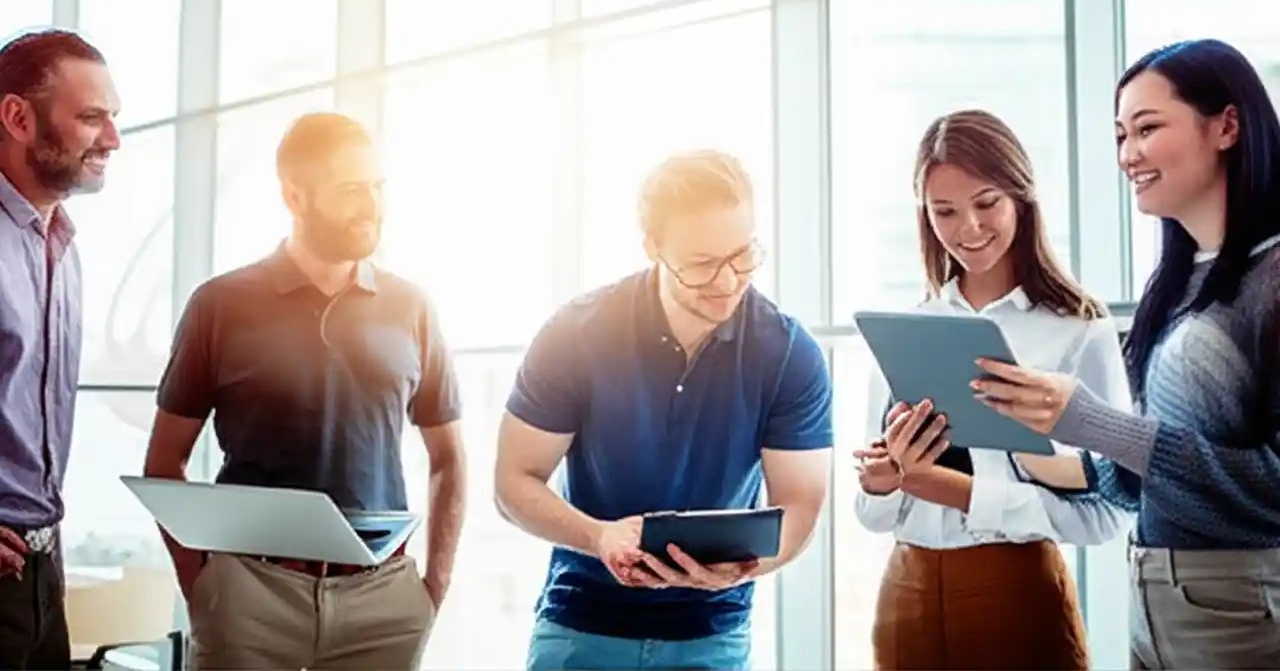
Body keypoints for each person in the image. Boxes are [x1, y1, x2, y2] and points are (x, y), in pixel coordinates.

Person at [975, 39, 1280, 669]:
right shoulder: (1176, 285)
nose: (1127, 155)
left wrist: (1093, 421)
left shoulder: (1273, 277)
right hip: (1154, 602)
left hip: (1246, 608)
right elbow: (1149, 479)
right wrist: (1027, 431)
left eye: (1147, 128)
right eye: (1121, 135)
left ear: (1226, 125)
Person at [143, 112, 465, 670]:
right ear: (296, 196)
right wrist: (204, 587)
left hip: (382, 602)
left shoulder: (412, 307)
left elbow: (449, 458)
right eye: (350, 190)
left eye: (377, 186)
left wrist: (431, 587)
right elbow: (164, 460)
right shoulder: (219, 305)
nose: (372, 204)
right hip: (250, 598)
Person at [494, 149, 832, 670]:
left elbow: (802, 502)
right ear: (653, 246)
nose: (726, 281)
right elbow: (514, 483)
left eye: (743, 256)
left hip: (711, 634)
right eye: (702, 264)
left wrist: (749, 565)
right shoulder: (576, 333)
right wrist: (599, 536)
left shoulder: (789, 353)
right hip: (581, 623)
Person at [852, 109, 1133, 670]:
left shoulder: (1078, 331)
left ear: (1021, 199)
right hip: (904, 593)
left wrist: (957, 489)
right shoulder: (906, 329)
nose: (968, 229)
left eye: (986, 203)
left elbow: (1109, 514)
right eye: (944, 211)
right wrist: (884, 483)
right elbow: (871, 513)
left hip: (1017, 589)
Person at [0, 29, 120, 669]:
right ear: (18, 116)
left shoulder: (62, 247)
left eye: (113, 118)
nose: (113, 140)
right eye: (91, 118)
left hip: (43, 569)